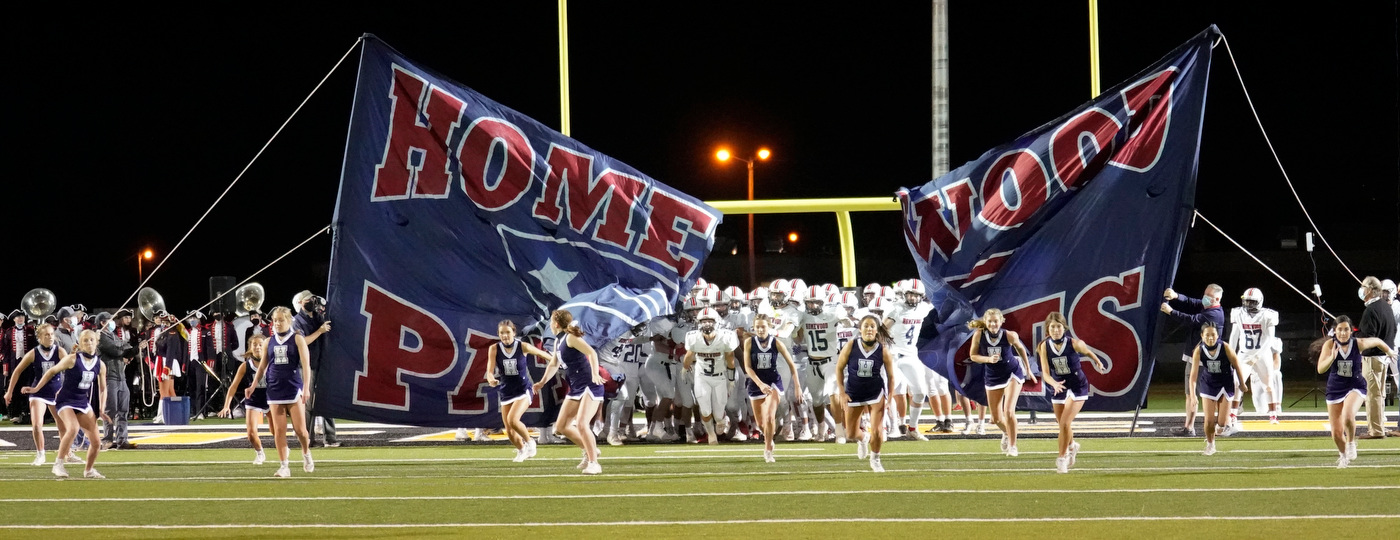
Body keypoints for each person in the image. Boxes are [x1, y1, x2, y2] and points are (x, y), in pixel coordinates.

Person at [23, 329, 109, 478]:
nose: (89, 343)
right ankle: (58, 464)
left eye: (92, 340)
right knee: (73, 428)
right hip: (65, 400)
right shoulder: (72, 359)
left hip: (82, 402)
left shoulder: (100, 365)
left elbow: (103, 389)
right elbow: (51, 371)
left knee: (96, 442)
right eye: (85, 340)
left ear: (97, 342)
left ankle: (88, 470)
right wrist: (36, 388)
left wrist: (101, 408)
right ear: (80, 344)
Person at [533, 310, 606, 474]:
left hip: (589, 384)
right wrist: (542, 382)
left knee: (581, 423)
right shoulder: (558, 341)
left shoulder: (571, 338)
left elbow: (592, 353)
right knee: (561, 427)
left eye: (551, 322)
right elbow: (553, 364)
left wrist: (595, 373)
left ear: (556, 324)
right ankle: (590, 449)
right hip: (576, 387)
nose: (550, 325)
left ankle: (594, 462)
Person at [1318, 315, 1397, 467]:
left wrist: (1389, 352)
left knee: (1348, 415)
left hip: (1355, 385)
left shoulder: (1358, 343)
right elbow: (1321, 369)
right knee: (1336, 433)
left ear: (1351, 330)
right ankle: (1343, 456)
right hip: (1335, 388)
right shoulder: (1329, 345)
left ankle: (1351, 442)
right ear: (1334, 331)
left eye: (1346, 329)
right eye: (1339, 329)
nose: (1343, 333)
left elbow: (1377, 341)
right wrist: (1332, 358)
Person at [246, 307, 314, 478]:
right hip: (274, 389)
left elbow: (306, 366)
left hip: (292, 388)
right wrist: (253, 385)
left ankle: (306, 454)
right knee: (279, 430)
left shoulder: (298, 338)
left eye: (281, 320)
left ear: (289, 320)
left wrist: (306, 388)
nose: (277, 323)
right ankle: (284, 466)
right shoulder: (269, 341)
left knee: (300, 431)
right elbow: (262, 367)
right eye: (275, 320)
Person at [1036, 312, 1106, 473]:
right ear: (1048, 328)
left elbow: (1088, 352)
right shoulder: (1044, 346)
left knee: (1065, 423)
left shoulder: (1075, 343)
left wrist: (1098, 362)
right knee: (1062, 424)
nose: (1056, 330)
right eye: (1052, 327)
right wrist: (1053, 383)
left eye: (1058, 326)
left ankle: (1062, 458)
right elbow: (1045, 373)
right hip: (1059, 386)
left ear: (1064, 327)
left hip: (1077, 385)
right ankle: (1073, 445)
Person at [967, 308, 1037, 456]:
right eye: (990, 321)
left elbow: (1021, 349)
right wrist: (987, 359)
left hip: (1012, 372)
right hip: (993, 376)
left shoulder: (1010, 335)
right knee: (996, 418)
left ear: (1001, 321)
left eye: (996, 321)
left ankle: (1013, 446)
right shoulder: (979, 334)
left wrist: (1028, 369)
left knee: (1009, 411)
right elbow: (973, 356)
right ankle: (1006, 432)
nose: (993, 324)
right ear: (986, 322)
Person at [835, 315, 896, 473]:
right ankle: (863, 438)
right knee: (850, 433)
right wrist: (842, 392)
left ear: (877, 330)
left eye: (872, 326)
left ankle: (875, 459)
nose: (869, 329)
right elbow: (839, 368)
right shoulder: (851, 345)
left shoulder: (883, 350)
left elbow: (891, 376)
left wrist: (889, 399)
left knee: (877, 430)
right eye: (866, 326)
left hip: (875, 392)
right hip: (854, 392)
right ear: (860, 329)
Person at [1162, 284, 1225, 436]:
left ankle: (1222, 424)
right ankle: (1189, 427)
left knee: (1209, 395)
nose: (1204, 298)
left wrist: (1171, 312)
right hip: (1194, 356)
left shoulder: (1214, 314)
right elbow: (1191, 301)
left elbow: (1192, 320)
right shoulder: (1208, 307)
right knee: (1190, 394)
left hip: (1206, 360)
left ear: (1216, 298)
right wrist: (1177, 296)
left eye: (1208, 296)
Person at [486, 320, 552, 461]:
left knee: (513, 420)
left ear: (514, 332)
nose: (505, 336)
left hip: (523, 389)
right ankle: (522, 450)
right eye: (501, 333)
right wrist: (491, 379)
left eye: (508, 332)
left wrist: (558, 362)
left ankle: (530, 442)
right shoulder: (494, 349)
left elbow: (546, 356)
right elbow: (489, 371)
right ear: (498, 334)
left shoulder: (523, 346)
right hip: (506, 391)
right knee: (509, 430)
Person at [4, 324, 69, 465]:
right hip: (38, 392)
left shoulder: (60, 351)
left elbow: (71, 369)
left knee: (63, 427)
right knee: (37, 425)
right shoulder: (34, 353)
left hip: (56, 392)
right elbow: (17, 371)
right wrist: (9, 392)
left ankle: (67, 453)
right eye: (46, 335)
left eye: (52, 334)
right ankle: (41, 454)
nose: (50, 337)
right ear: (39, 338)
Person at [743, 314, 801, 461]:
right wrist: (760, 384)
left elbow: (791, 365)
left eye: (763, 326)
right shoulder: (749, 342)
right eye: (758, 327)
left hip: (773, 381)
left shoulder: (776, 343)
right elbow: (748, 367)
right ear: (753, 328)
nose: (761, 330)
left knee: (770, 416)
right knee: (762, 424)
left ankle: (768, 449)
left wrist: (797, 387)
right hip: (756, 382)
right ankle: (769, 438)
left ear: (769, 327)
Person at [683, 307, 739, 445]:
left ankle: (721, 420)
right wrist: (685, 368)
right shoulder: (693, 337)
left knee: (718, 413)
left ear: (716, 322)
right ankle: (710, 434)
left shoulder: (725, 337)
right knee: (705, 409)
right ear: (699, 323)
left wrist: (731, 379)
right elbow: (689, 355)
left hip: (720, 377)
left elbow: (730, 359)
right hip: (701, 377)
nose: (707, 324)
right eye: (704, 321)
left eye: (710, 321)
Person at [1189, 324, 1246, 456]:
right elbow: (1193, 376)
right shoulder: (1199, 350)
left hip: (1225, 383)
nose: (1210, 338)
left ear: (1218, 335)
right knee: (1208, 420)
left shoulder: (1225, 347)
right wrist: (1193, 395)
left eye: (1213, 335)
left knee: (1221, 423)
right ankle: (1210, 445)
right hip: (1208, 384)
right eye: (1207, 335)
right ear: (1202, 336)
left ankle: (1226, 426)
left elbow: (1237, 365)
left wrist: (1242, 384)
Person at [1227, 288, 1280, 428]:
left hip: (1262, 354)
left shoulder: (1268, 315)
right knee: (1237, 383)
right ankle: (1232, 413)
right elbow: (1234, 335)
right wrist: (1231, 354)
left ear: (1259, 302)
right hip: (1244, 354)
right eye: (1246, 301)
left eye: (1252, 302)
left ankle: (1273, 414)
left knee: (1268, 385)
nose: (1248, 305)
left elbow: (1269, 338)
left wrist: (1257, 355)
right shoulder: (1239, 313)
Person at [796, 286, 842, 442]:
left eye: (816, 302)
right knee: (816, 401)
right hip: (812, 362)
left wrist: (847, 319)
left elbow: (846, 323)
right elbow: (798, 339)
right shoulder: (803, 317)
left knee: (833, 394)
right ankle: (821, 428)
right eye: (809, 303)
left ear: (823, 302)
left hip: (830, 361)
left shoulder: (832, 314)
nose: (813, 306)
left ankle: (840, 430)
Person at [1356, 276, 1397, 439]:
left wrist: (1355, 336)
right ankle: (1379, 427)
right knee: (1379, 395)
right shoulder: (1385, 307)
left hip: (1373, 358)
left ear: (1371, 290)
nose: (1361, 290)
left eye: (1363, 286)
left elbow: (1368, 338)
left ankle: (1376, 431)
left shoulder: (1371, 310)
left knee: (1373, 396)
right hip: (1384, 357)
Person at [292, 294, 336, 447]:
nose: (312, 302)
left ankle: (330, 438)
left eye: (312, 298)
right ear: (300, 302)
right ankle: (307, 439)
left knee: (327, 400)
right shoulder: (296, 321)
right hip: (306, 366)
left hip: (322, 363)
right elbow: (301, 342)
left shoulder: (318, 317)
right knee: (308, 403)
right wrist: (319, 331)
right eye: (308, 299)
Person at [222, 333, 270, 464]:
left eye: (261, 344)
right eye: (254, 345)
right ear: (250, 347)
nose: (258, 347)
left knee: (276, 431)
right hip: (253, 399)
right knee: (251, 433)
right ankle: (260, 453)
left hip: (271, 398)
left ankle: (283, 450)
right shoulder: (245, 366)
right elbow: (233, 387)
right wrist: (227, 405)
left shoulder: (272, 361)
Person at [96, 312, 136, 450]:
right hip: (109, 376)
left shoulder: (112, 335)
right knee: (110, 409)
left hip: (120, 376)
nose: (113, 323)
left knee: (123, 410)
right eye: (110, 320)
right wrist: (128, 349)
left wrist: (132, 350)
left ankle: (122, 440)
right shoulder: (100, 336)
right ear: (102, 322)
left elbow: (123, 348)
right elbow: (116, 350)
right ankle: (107, 439)